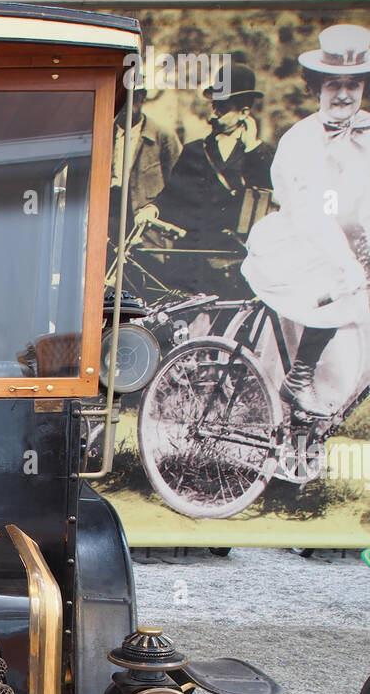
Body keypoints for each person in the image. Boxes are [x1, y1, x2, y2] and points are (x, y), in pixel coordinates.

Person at [241, 25, 370, 420]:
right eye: (333, 85)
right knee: (339, 282)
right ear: (317, 87)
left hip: (349, 245)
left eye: (353, 85)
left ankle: (319, 416)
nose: (344, 95)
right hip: (299, 246)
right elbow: (312, 215)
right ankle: (299, 376)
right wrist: (349, 263)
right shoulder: (301, 140)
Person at [135, 63, 275, 296]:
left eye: (223, 108)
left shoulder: (259, 155)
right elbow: (172, 197)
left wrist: (252, 146)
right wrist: (152, 209)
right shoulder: (195, 151)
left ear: (244, 111)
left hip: (235, 265)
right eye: (214, 106)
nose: (213, 114)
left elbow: (269, 192)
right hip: (192, 263)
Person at [109, 87, 181, 233]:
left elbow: (177, 188)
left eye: (131, 97)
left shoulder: (163, 136)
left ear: (142, 97)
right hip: (110, 218)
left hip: (147, 225)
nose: (125, 105)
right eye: (119, 98)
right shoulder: (104, 134)